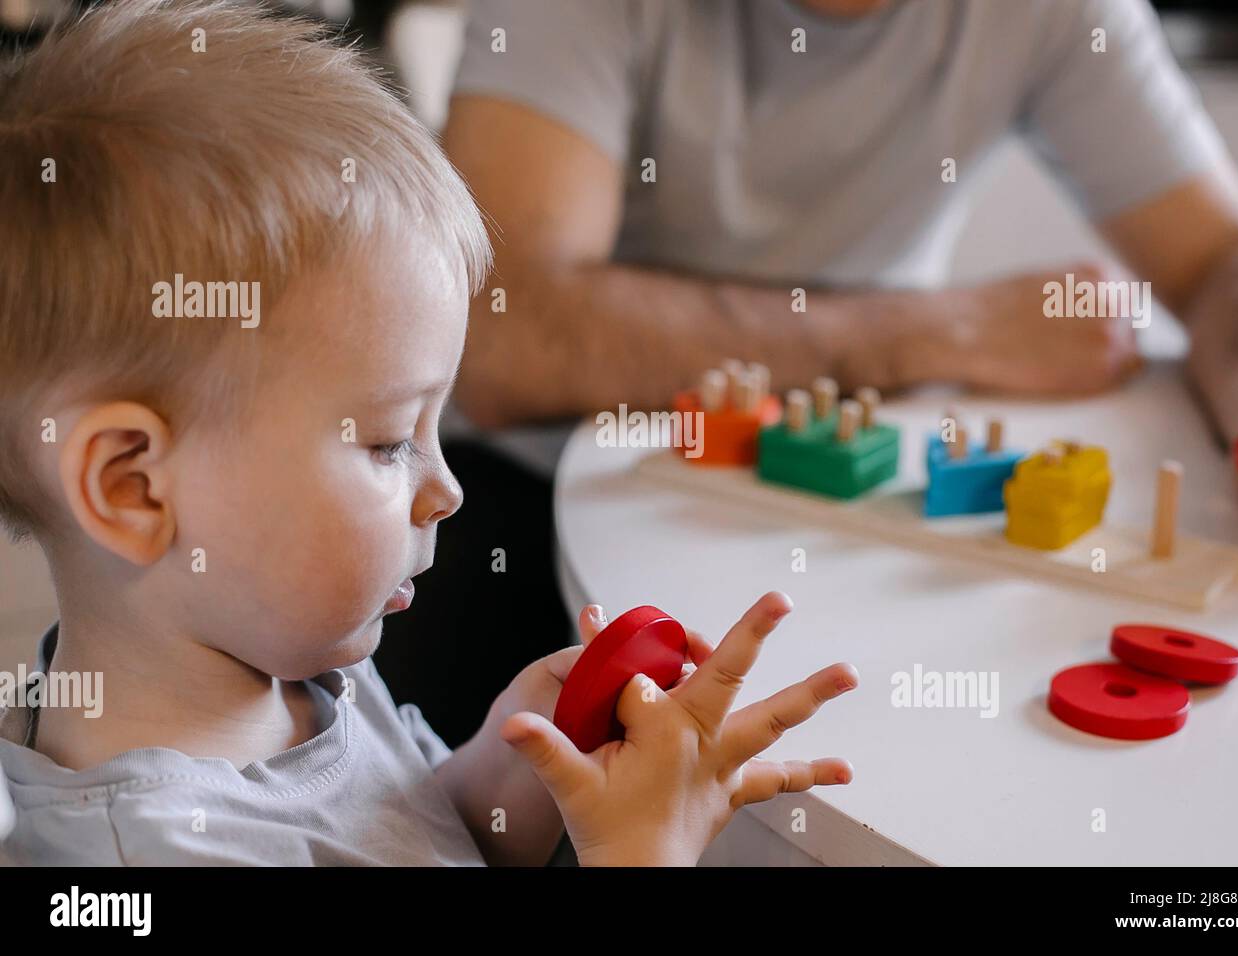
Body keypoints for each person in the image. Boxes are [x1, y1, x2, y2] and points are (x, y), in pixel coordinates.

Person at [0, 0, 857, 865]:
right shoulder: (150, 857)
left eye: (430, 427)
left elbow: (411, 831)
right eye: (383, 442)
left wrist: (516, 767)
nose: (446, 489)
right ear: (134, 487)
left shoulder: (289, 659)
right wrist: (644, 850)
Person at [444, 0, 1238, 540]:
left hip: (849, 481)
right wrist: (944, 330)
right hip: (535, 491)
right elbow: (500, 335)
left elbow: (1230, 262)